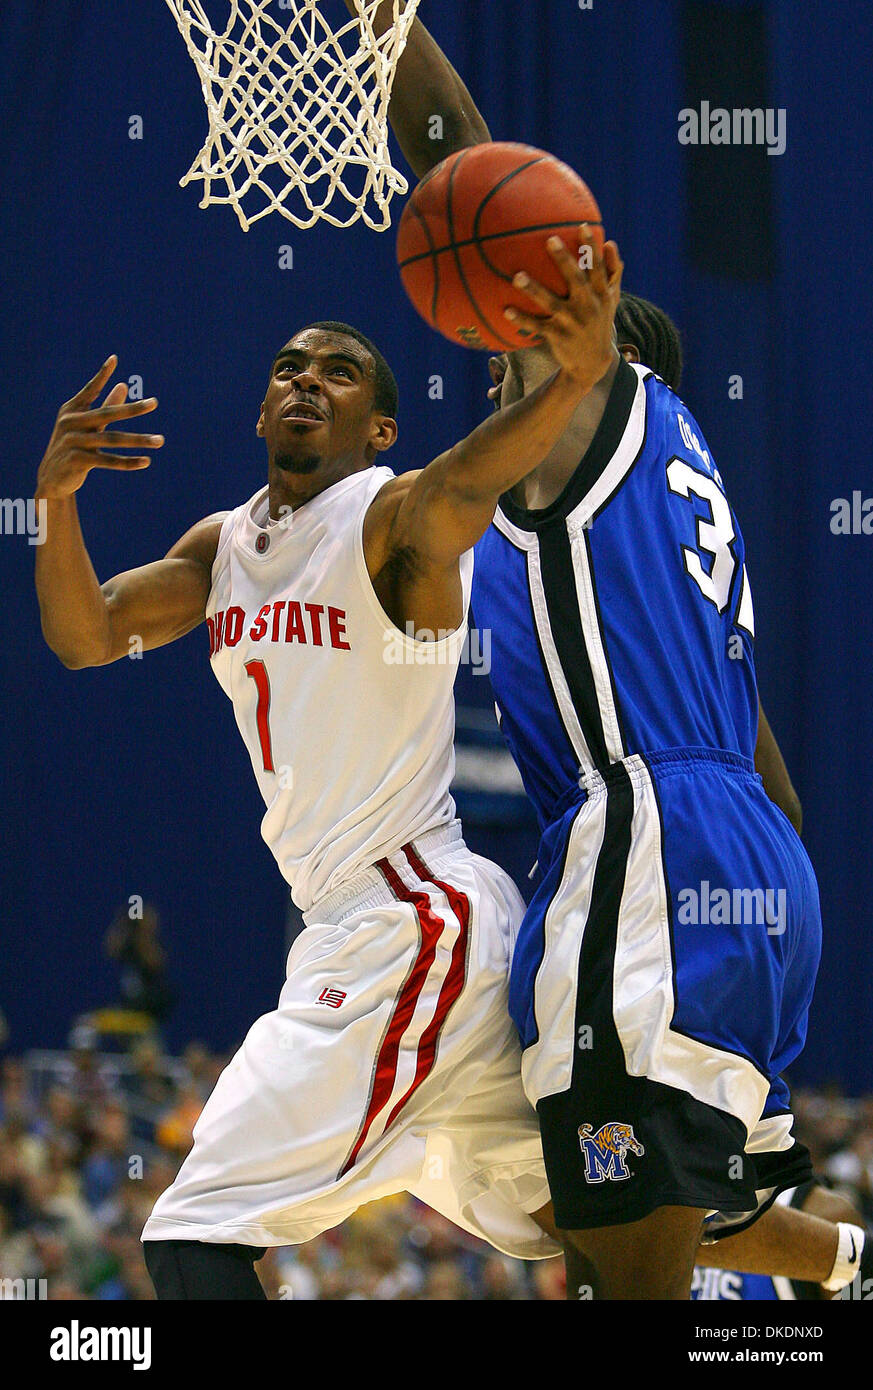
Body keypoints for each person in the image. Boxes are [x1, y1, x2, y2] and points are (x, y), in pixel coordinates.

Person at [358, 0, 867, 1299]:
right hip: (752, 860)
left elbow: (463, 166)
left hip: (646, 848)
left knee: (624, 1271)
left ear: (597, 351)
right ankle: (850, 1267)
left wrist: (381, 25)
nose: (500, 368)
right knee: (668, 1237)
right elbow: (779, 783)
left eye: (526, 353)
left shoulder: (593, 402)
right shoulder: (687, 477)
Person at [34, 279, 624, 1298]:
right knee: (595, 1217)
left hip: (409, 919)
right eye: (289, 369)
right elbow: (86, 636)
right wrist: (54, 500)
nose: (307, 380)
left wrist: (572, 379)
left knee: (193, 1229)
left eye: (338, 372)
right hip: (372, 929)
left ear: (378, 425)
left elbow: (461, 488)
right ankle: (836, 1260)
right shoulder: (224, 549)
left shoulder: (387, 516)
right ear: (264, 410)